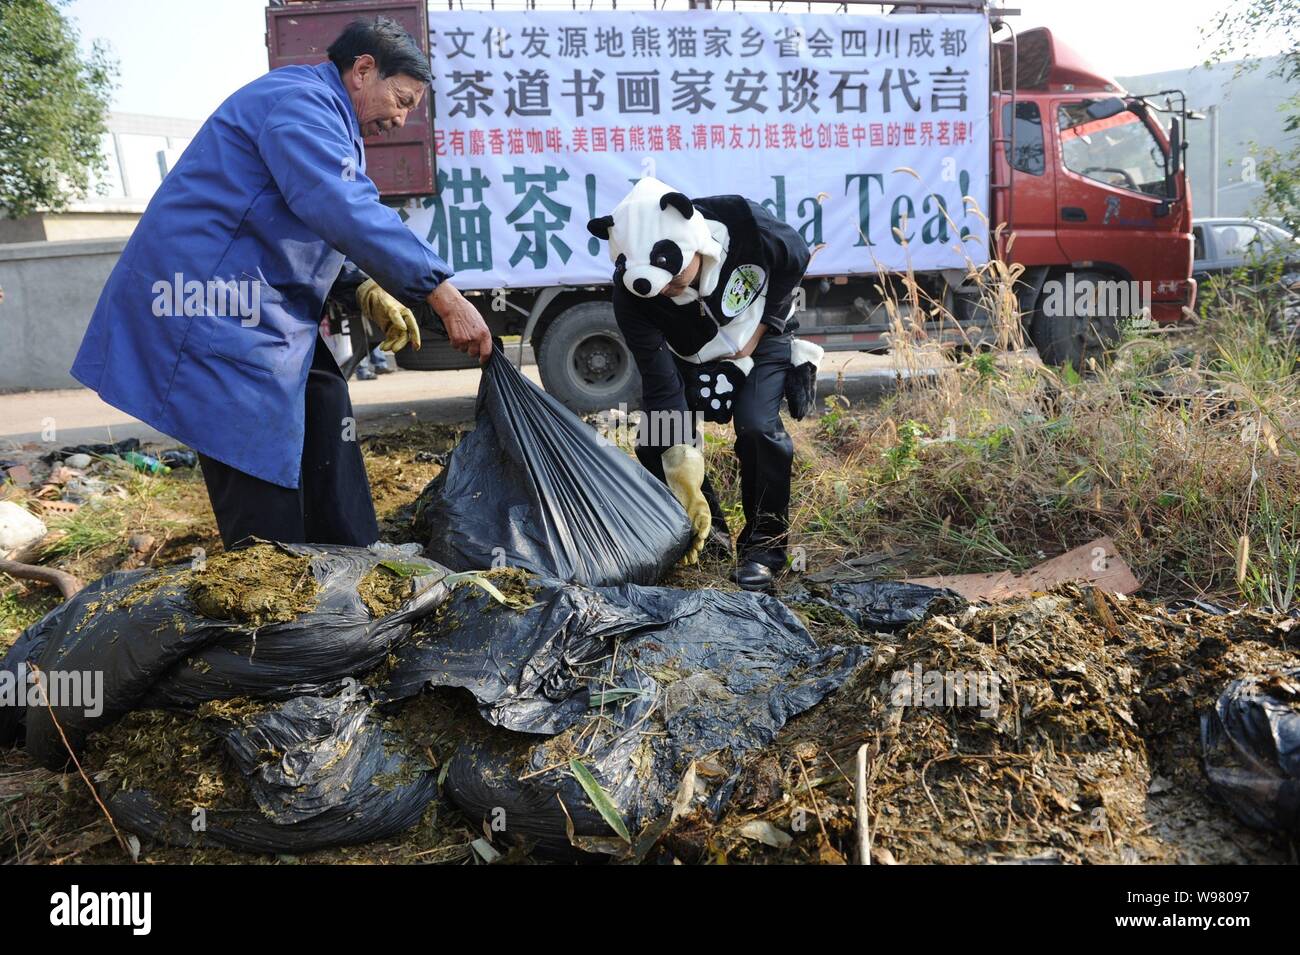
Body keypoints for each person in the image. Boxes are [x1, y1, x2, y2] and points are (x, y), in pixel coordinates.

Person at [70, 17, 492, 550]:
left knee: (324, 396)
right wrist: (443, 294)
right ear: (364, 70)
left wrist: (360, 285)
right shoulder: (299, 104)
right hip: (210, 308)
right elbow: (341, 205)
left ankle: (350, 556)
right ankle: (271, 596)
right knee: (253, 449)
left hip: (258, 303)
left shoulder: (331, 117)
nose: (402, 119)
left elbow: (309, 224)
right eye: (402, 99)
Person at [588, 177, 822, 592]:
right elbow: (661, 383)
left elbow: (795, 258)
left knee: (757, 429)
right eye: (659, 288)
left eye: (676, 278)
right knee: (658, 439)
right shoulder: (630, 298)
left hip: (761, 336)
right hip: (689, 355)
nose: (669, 289)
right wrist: (682, 458)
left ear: (694, 242)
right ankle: (707, 534)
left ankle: (764, 550)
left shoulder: (744, 223)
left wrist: (766, 327)